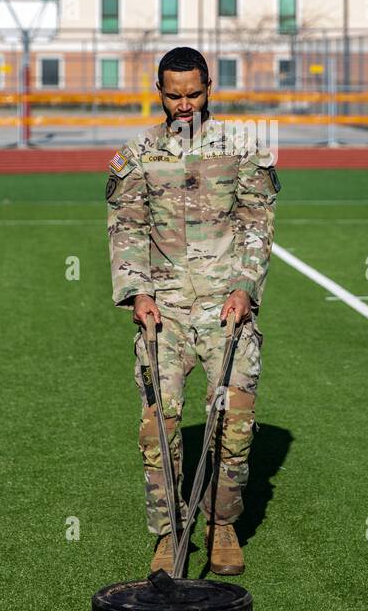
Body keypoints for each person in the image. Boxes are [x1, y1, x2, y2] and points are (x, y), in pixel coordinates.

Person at [106, 46, 280, 576]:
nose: (185, 104)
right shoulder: (138, 153)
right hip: (165, 310)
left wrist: (246, 287)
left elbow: (257, 223)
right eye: (174, 95)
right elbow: (127, 228)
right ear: (159, 93)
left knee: (234, 421)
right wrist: (137, 293)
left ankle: (221, 525)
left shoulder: (244, 148)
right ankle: (169, 533)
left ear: (210, 89)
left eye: (194, 93)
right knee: (160, 423)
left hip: (226, 306)